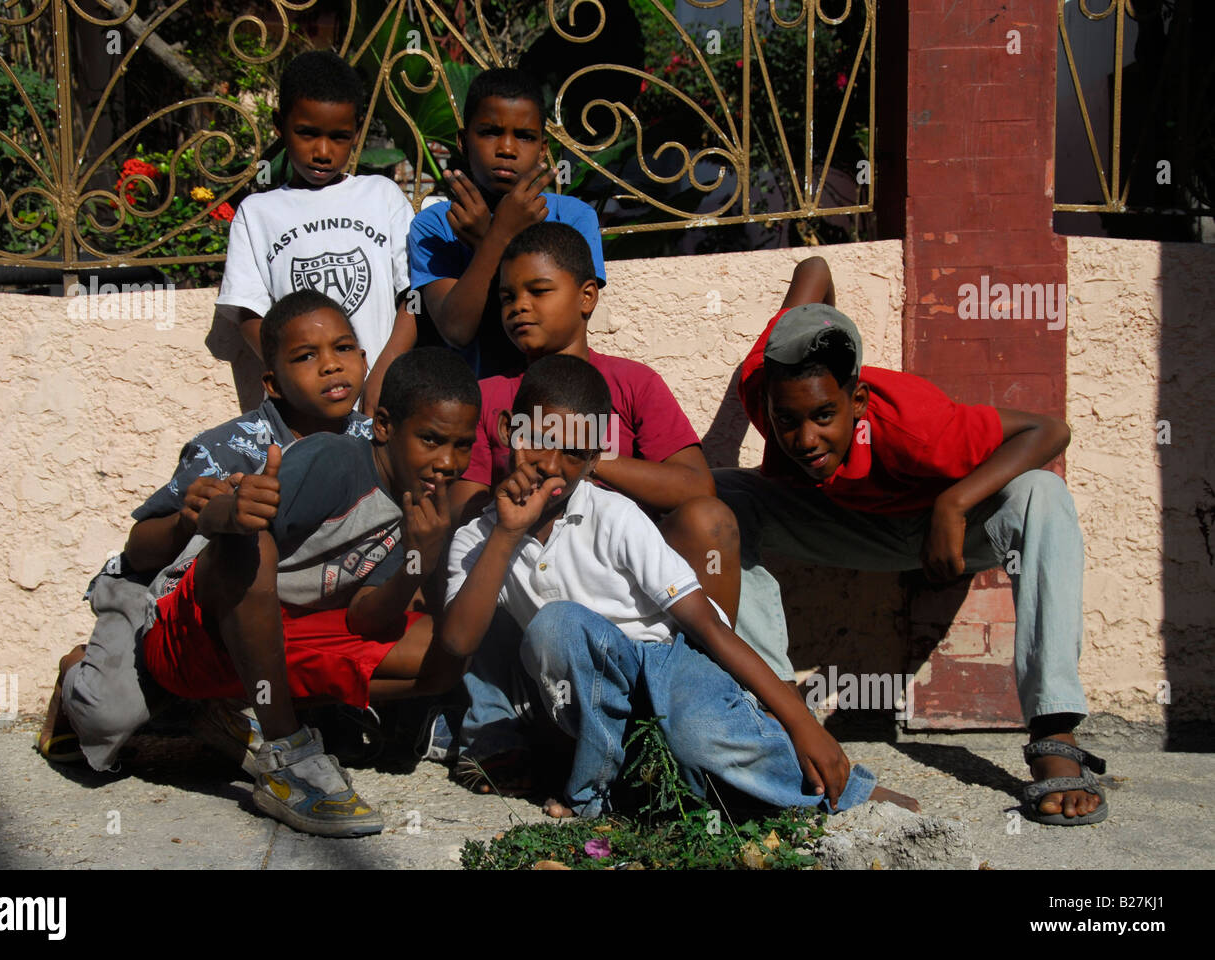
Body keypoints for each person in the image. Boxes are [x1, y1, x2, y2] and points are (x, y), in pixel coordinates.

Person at [38, 293, 479, 837]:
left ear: (366, 361)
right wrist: (205, 517)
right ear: (270, 382)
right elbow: (141, 549)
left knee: (425, 645)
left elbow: (368, 605)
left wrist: (424, 554)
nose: (332, 364)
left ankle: (238, 705)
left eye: (345, 348)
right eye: (306, 356)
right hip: (161, 598)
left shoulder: (390, 448)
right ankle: (265, 741)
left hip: (270, 622)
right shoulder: (233, 445)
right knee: (106, 717)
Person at [715, 255, 1107, 826]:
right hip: (844, 527)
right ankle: (779, 714)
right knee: (714, 499)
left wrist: (955, 504)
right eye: (787, 421)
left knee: (1042, 494)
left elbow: (1050, 430)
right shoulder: (764, 379)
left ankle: (1053, 731)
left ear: (859, 402)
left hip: (943, 534)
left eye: (825, 415)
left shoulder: (918, 425)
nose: (804, 439)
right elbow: (815, 267)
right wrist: (819, 297)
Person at [442, 354, 916, 819]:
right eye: (538, 439)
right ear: (507, 429)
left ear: (593, 459)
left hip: (665, 662)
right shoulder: (478, 539)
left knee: (701, 737)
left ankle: (841, 790)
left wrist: (799, 720)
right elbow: (460, 641)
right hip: (586, 706)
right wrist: (506, 533)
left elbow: (705, 625)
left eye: (574, 453)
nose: (549, 464)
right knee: (556, 625)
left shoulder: (615, 517)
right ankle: (597, 794)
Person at [437, 223, 741, 795]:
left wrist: (584, 462)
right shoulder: (494, 396)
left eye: (537, 291)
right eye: (507, 296)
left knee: (712, 522)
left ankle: (713, 693)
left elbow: (697, 485)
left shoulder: (631, 382)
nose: (518, 307)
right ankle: (495, 736)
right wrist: (516, 503)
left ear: (586, 297)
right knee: (477, 559)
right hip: (532, 581)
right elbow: (463, 500)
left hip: (622, 588)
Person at [214, 49, 416, 415]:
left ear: (356, 131)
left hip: (381, 403)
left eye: (339, 137)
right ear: (279, 123)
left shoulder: (382, 197)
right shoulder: (257, 213)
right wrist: (298, 374)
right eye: (307, 133)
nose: (323, 152)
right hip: (300, 416)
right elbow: (248, 312)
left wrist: (384, 371)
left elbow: (413, 298)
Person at [407, 67, 606, 378]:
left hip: (556, 390)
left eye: (525, 137)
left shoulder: (573, 217)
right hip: (474, 404)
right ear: (463, 141)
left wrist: (487, 239)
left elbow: (563, 321)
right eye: (489, 132)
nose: (507, 149)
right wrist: (497, 235)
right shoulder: (436, 225)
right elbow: (457, 330)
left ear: (543, 148)